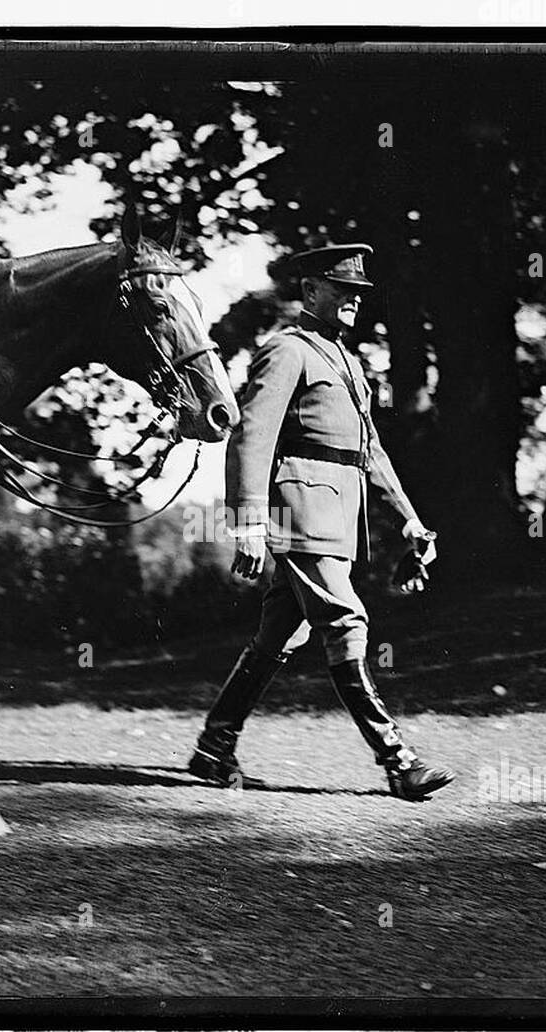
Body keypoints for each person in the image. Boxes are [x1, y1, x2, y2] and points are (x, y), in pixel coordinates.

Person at [188, 243, 453, 800]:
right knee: (344, 619)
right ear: (311, 291)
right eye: (343, 290)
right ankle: (398, 760)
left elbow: (370, 452)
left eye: (360, 293)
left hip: (337, 516)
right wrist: (250, 522)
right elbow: (252, 433)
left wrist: (408, 519)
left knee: (277, 635)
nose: (355, 301)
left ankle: (214, 746)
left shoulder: (348, 362)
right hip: (299, 511)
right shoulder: (287, 350)